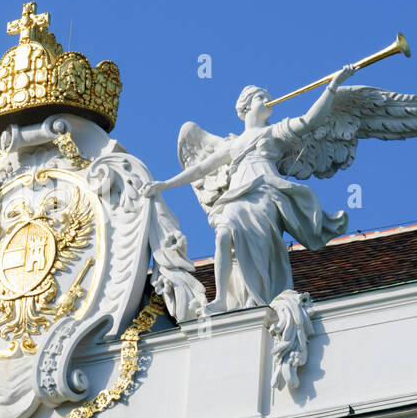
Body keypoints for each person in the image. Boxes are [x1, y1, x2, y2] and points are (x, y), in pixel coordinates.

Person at [145, 65, 357, 311]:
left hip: (264, 194)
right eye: (261, 98)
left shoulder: (275, 131)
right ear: (245, 107)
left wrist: (333, 86)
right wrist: (165, 184)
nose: (268, 101)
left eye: (269, 98)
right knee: (224, 235)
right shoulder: (233, 144)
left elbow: (310, 120)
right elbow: (201, 170)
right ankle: (222, 298)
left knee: (260, 248)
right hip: (236, 196)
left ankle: (261, 296)